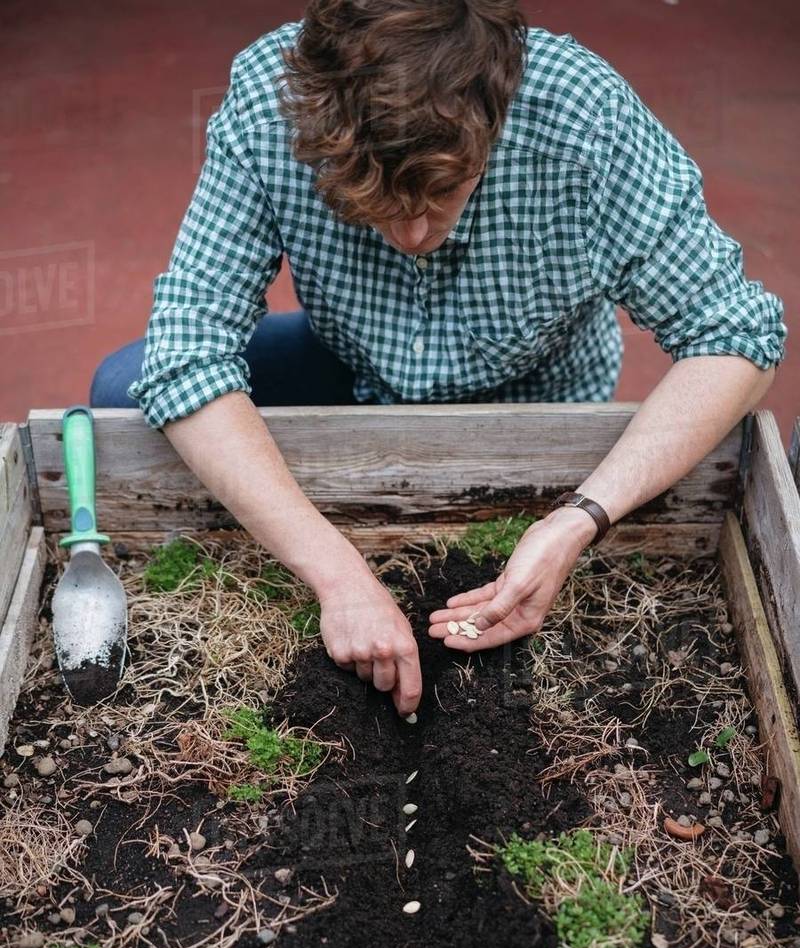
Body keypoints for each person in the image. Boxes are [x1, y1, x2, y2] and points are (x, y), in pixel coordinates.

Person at [91, 0, 786, 719]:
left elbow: (735, 337)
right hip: (353, 363)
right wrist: (338, 576)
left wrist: (580, 516)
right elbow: (185, 350)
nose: (412, 233)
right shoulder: (273, 105)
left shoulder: (582, 115)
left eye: (441, 193)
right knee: (120, 392)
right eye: (376, 206)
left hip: (534, 395)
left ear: (493, 117)